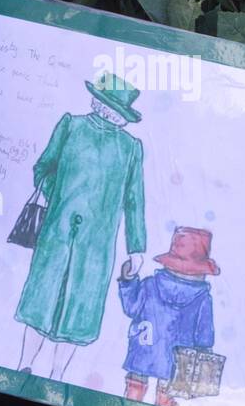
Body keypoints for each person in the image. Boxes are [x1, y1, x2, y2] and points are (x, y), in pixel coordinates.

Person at [15, 72, 147, 378]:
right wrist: (57, 195)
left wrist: (136, 247)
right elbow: (43, 168)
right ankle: (24, 364)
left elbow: (134, 200)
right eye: (106, 103)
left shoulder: (130, 148)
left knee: (80, 309)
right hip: (57, 229)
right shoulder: (70, 125)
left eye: (115, 108)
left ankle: (57, 375)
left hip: (97, 244)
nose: (108, 111)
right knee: (41, 298)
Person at [117, 226, 219, 406]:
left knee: (136, 381)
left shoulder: (149, 285)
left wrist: (128, 280)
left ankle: (131, 400)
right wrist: (205, 351)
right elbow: (204, 333)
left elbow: (131, 307)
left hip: (142, 351)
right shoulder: (203, 299)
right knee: (168, 387)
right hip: (177, 357)